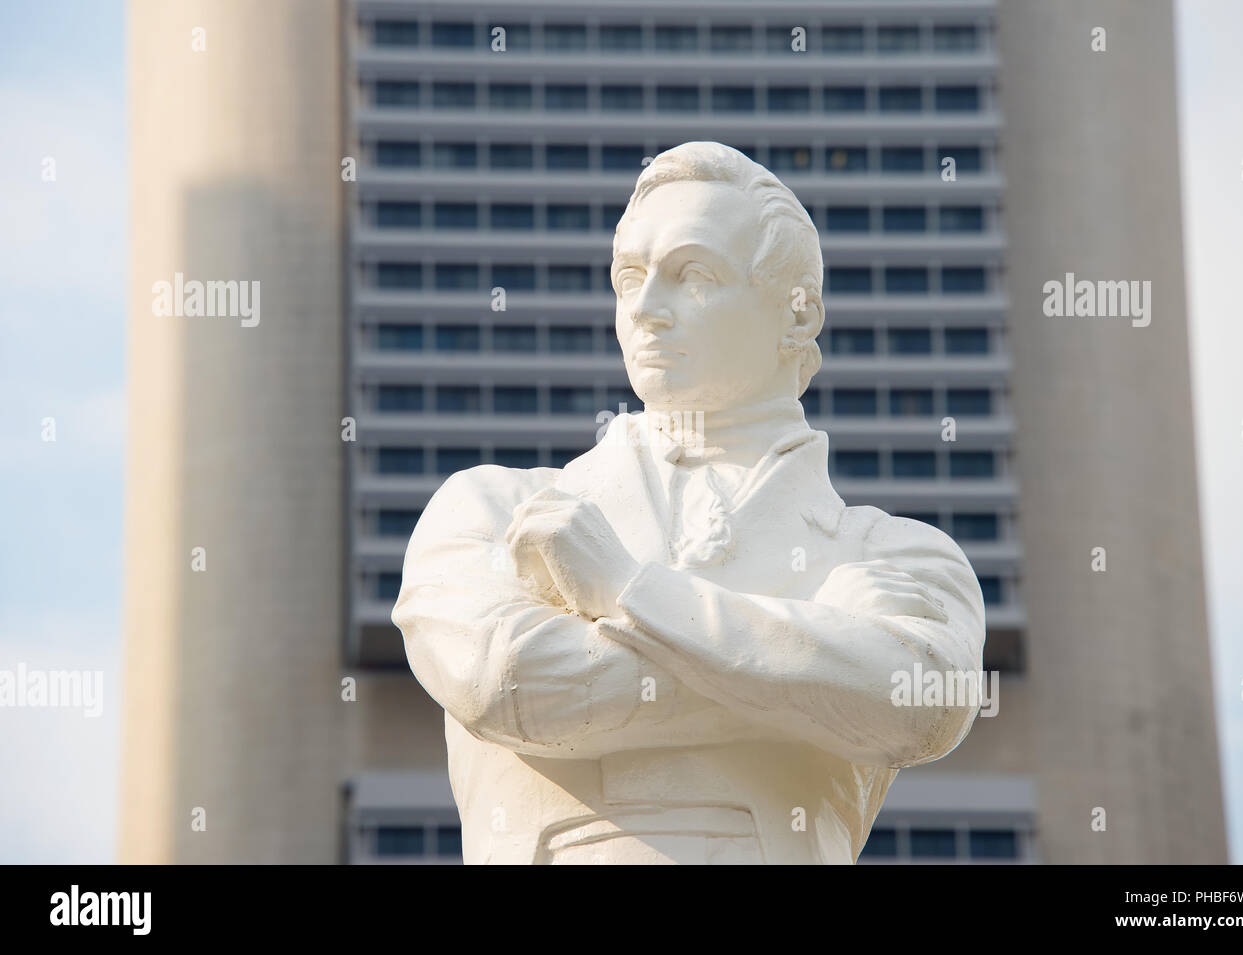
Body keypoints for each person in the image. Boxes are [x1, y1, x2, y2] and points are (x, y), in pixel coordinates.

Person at [393, 141, 985, 864]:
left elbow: (918, 699)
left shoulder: (899, 553)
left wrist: (626, 589)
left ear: (797, 316)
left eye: (692, 275)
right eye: (629, 277)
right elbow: (502, 682)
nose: (645, 308)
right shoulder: (493, 507)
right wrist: (811, 657)